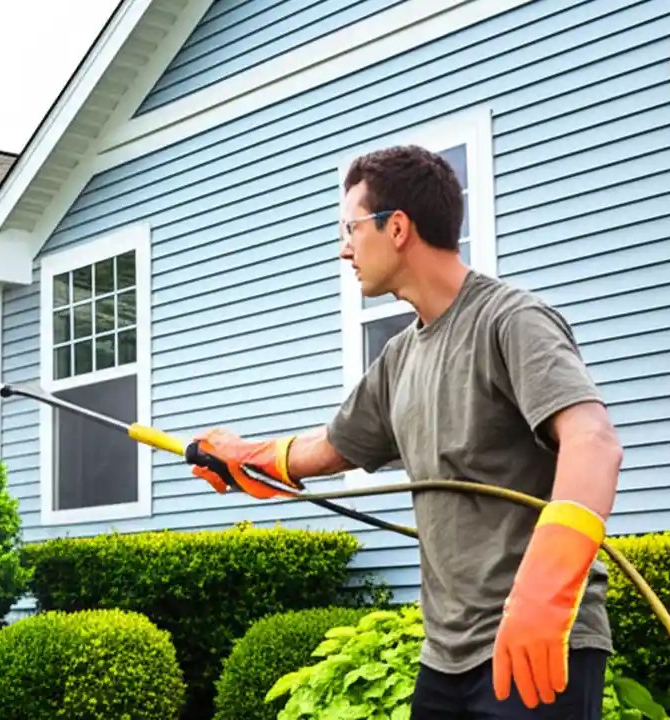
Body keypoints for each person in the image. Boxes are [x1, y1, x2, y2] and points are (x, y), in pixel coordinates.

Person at [189, 144, 623, 718]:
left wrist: (546, 592)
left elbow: (594, 442)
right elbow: (331, 447)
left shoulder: (510, 319)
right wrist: (245, 454)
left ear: (396, 227)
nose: (344, 248)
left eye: (350, 228)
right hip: (446, 655)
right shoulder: (399, 357)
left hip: (534, 640)